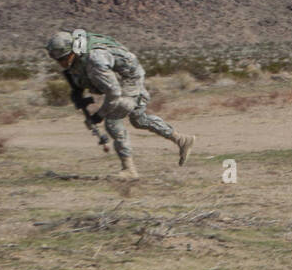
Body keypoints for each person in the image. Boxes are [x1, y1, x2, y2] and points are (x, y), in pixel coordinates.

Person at [45, 30, 195, 179]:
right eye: (58, 60)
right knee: (139, 120)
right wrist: (78, 89)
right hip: (124, 76)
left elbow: (113, 93)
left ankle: (129, 170)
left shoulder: (94, 60)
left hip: (130, 79)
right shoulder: (79, 49)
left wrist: (99, 115)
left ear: (72, 51)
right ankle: (182, 140)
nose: (61, 63)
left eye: (63, 58)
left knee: (112, 119)